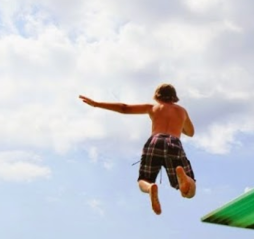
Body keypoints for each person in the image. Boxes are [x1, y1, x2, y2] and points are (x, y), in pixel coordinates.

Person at [79, 84, 196, 215]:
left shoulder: (153, 107)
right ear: (174, 97)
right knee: (189, 193)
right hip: (174, 143)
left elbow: (124, 108)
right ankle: (185, 181)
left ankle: (150, 187)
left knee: (143, 180)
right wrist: (178, 123)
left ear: (157, 96)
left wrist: (96, 104)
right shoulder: (182, 111)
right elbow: (191, 132)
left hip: (154, 141)